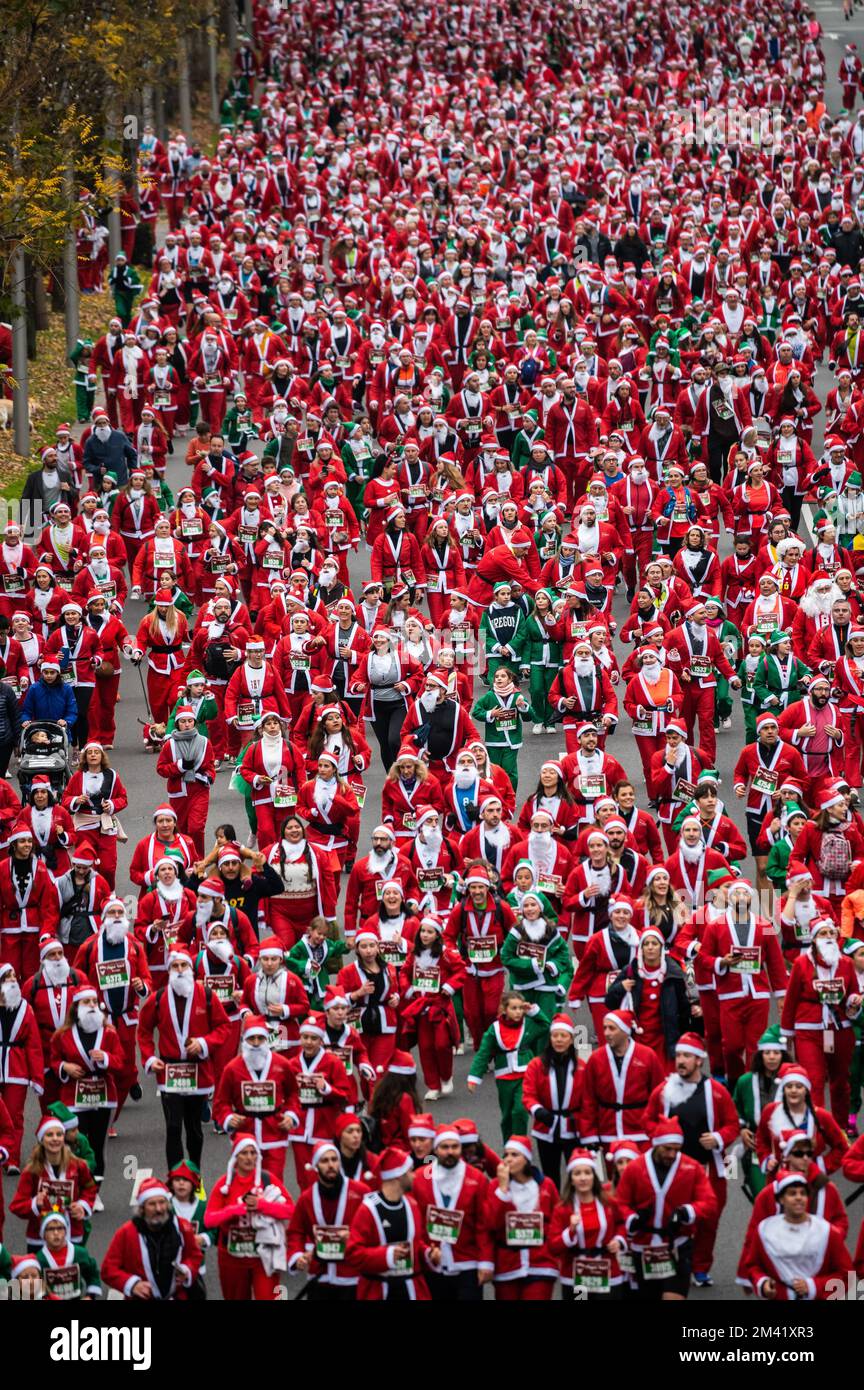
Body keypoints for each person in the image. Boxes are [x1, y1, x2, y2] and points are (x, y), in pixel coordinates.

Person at [137, 947, 231, 1170]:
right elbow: (144, 1030)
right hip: (169, 1071)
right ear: (169, 970)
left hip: (198, 1070)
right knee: (172, 1126)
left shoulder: (206, 995)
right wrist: (150, 1059)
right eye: (175, 967)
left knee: (194, 1128)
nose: (179, 971)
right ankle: (176, 1176)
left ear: (191, 968)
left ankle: (195, 1172)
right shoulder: (158, 999)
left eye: (183, 966)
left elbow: (224, 1026)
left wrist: (204, 1043)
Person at [616, 1117, 717, 1301]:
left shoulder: (691, 1167)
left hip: (677, 1245)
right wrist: (632, 1218)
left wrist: (687, 1211)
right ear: (656, 1145)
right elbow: (620, 1202)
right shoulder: (635, 1168)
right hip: (643, 1248)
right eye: (667, 1149)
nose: (672, 1154)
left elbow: (709, 1202)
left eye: (676, 1150)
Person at [204, 1132, 294, 1301]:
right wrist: (235, 1210)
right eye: (244, 1153)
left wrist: (263, 1206)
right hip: (232, 1257)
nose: (249, 1157)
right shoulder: (224, 1185)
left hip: (264, 1254)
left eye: (253, 1153)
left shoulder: (267, 1179)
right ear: (235, 1156)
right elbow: (209, 1220)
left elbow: (291, 1211)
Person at [412, 1123, 493, 1300]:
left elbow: (483, 1224)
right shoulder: (419, 1178)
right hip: (434, 1263)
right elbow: (414, 1225)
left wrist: (486, 1262)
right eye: (445, 1147)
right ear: (435, 1149)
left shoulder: (477, 1178)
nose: (450, 1152)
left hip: (467, 1262)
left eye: (455, 1147)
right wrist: (425, 1251)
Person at [743, 1173, 852, 1300]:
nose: (799, 1198)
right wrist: (763, 1283)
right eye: (792, 1193)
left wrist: (813, 1286)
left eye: (803, 1193)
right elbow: (753, 1266)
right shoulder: (765, 1230)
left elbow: (848, 1276)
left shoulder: (827, 1232)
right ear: (781, 1199)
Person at [286, 1137, 369, 1300]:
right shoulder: (306, 1198)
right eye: (324, 1161)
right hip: (319, 1278)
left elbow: (374, 1227)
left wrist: (353, 1236)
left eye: (334, 1160)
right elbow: (295, 1232)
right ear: (316, 1166)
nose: (331, 1165)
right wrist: (297, 1256)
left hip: (351, 1277)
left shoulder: (360, 1192)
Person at [345, 1146, 434, 1300]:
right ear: (398, 1176)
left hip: (410, 1290)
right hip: (379, 1290)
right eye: (410, 1171)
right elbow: (353, 1253)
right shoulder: (368, 1209)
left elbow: (415, 1244)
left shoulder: (412, 1205)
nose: (414, 1176)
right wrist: (387, 1256)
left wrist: (428, 1254)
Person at [102, 1175, 203, 1299]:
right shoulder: (126, 1233)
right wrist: (133, 1284)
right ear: (142, 1208)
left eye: (162, 1202)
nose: (159, 1209)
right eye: (152, 1204)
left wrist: (186, 1270)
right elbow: (108, 1269)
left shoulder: (183, 1226)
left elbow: (194, 1255)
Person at [468, 991, 548, 1144]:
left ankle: (519, 1146)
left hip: (525, 1075)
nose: (518, 1012)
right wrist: (474, 1077)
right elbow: (483, 1053)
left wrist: (532, 1010)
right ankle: (509, 1147)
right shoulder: (495, 1029)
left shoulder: (528, 1024)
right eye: (513, 1008)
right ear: (504, 1010)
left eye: (520, 1008)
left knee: (520, 1111)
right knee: (507, 1116)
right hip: (504, 1078)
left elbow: (545, 1025)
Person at [548, 1149, 628, 1301]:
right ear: (571, 1179)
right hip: (577, 1279)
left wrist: (619, 1240)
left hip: (608, 1272)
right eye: (577, 1174)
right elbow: (553, 1246)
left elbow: (622, 1223)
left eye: (587, 1173)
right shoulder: (563, 1209)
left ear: (594, 1177)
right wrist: (570, 1231)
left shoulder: (609, 1203)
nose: (583, 1178)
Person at [522, 1014, 582, 1189]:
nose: (559, 1040)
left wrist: (582, 1121)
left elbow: (588, 1099)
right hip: (545, 1127)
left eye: (563, 1036)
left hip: (573, 1128)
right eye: (555, 1036)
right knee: (550, 1176)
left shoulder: (581, 1067)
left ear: (571, 1039)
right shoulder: (536, 1065)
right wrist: (538, 1111)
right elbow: (528, 1095)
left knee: (577, 1176)